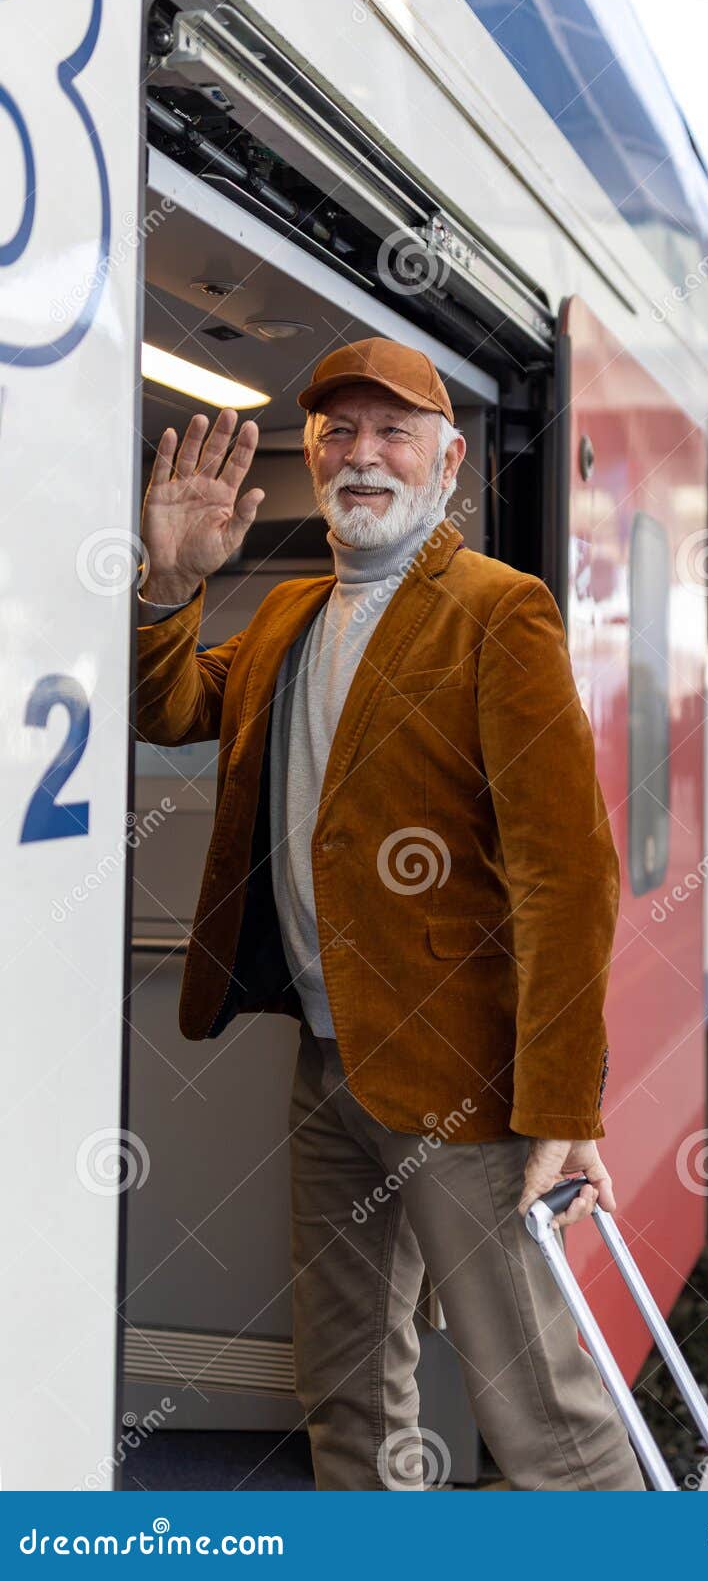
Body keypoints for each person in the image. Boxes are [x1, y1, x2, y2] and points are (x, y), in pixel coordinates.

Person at [132, 336, 643, 1492]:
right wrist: (168, 584)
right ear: (311, 453)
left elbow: (569, 872)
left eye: (393, 431)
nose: (363, 455)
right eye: (337, 432)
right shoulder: (288, 619)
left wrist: (566, 1104)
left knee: (542, 1421)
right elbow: (166, 711)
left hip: (471, 1088)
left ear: (449, 459)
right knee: (348, 1390)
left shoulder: (497, 611)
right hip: (329, 1068)